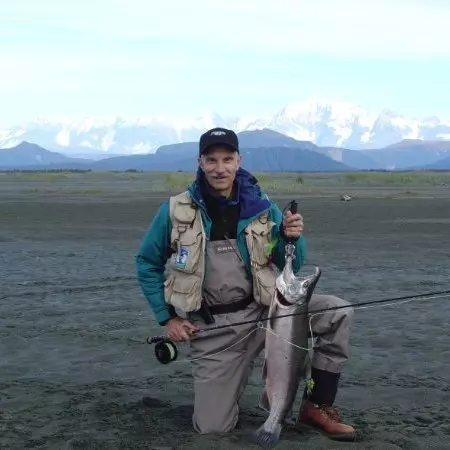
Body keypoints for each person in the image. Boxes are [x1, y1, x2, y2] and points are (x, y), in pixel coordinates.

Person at [135, 127, 355, 441]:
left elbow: (289, 259)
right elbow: (146, 262)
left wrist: (292, 236)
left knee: (338, 311)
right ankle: (233, 390)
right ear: (200, 161)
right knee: (212, 427)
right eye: (211, 160)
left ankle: (316, 405)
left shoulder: (262, 206)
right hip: (214, 330)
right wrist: (167, 317)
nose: (220, 168)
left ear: (239, 160)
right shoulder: (174, 210)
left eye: (227, 159)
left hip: (267, 313)